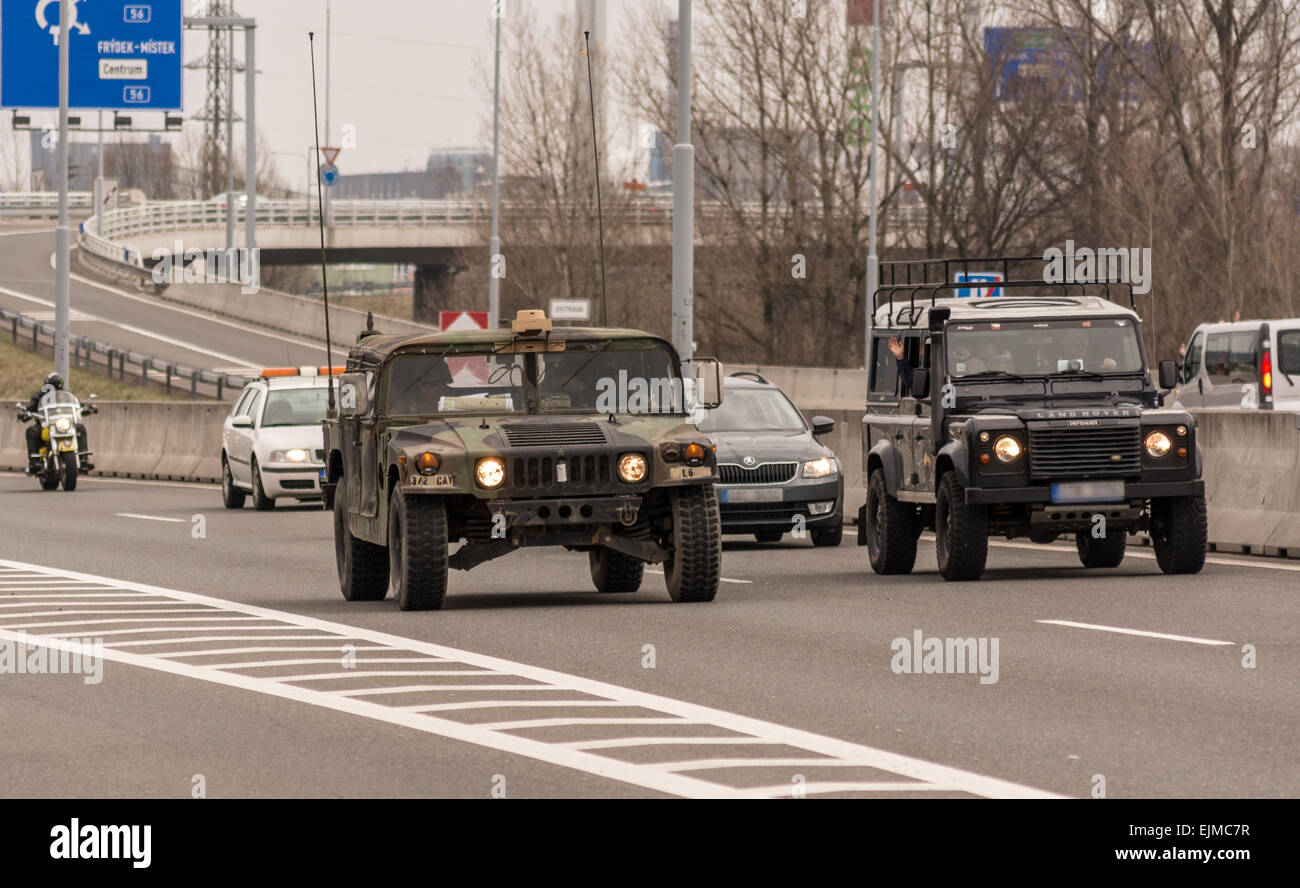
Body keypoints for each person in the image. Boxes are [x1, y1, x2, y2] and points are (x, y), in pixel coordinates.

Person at [22, 372, 91, 474]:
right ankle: (35, 463)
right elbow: (30, 407)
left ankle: (83, 458)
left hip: (63, 423)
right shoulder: (39, 396)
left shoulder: (67, 396)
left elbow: (76, 405)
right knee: (31, 431)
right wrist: (26, 413)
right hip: (45, 424)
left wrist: (86, 408)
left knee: (80, 428)